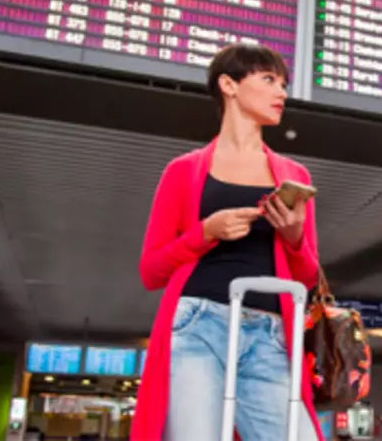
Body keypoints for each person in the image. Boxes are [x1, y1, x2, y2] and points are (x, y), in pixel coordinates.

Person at [132, 44, 322, 441]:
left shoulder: (294, 174)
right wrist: (205, 233)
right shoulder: (182, 171)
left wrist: (292, 236)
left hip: (270, 334)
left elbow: (305, 278)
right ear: (228, 85)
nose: (282, 92)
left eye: (283, 83)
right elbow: (151, 271)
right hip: (197, 325)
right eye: (269, 80)